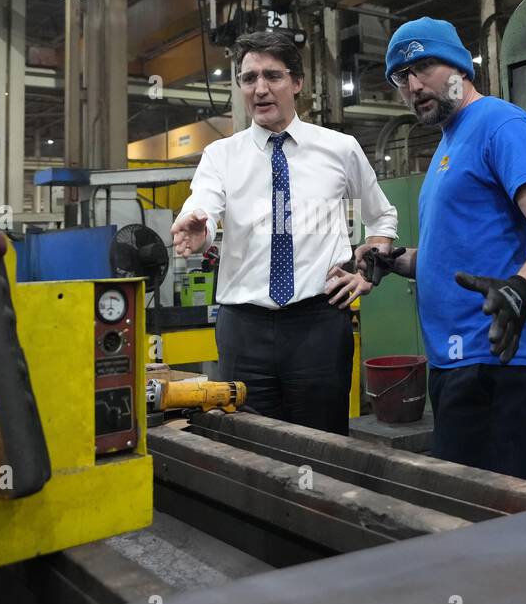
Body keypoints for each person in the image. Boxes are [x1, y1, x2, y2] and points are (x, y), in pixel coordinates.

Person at [346, 17, 526, 480]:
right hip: (453, 364)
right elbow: (450, 258)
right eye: (401, 78)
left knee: (491, 510)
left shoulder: (500, 124)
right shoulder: (448, 145)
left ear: (458, 67)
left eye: (424, 68)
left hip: (494, 362)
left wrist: (520, 291)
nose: (413, 86)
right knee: (464, 505)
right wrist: (394, 261)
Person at [171, 29, 398, 434]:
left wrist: (368, 272)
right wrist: (197, 225)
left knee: (323, 444)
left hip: (319, 325)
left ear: (297, 83)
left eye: (272, 76)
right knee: (248, 446)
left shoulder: (340, 148)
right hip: (243, 331)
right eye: (249, 78)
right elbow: (204, 204)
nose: (260, 88)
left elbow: (381, 216)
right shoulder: (221, 155)